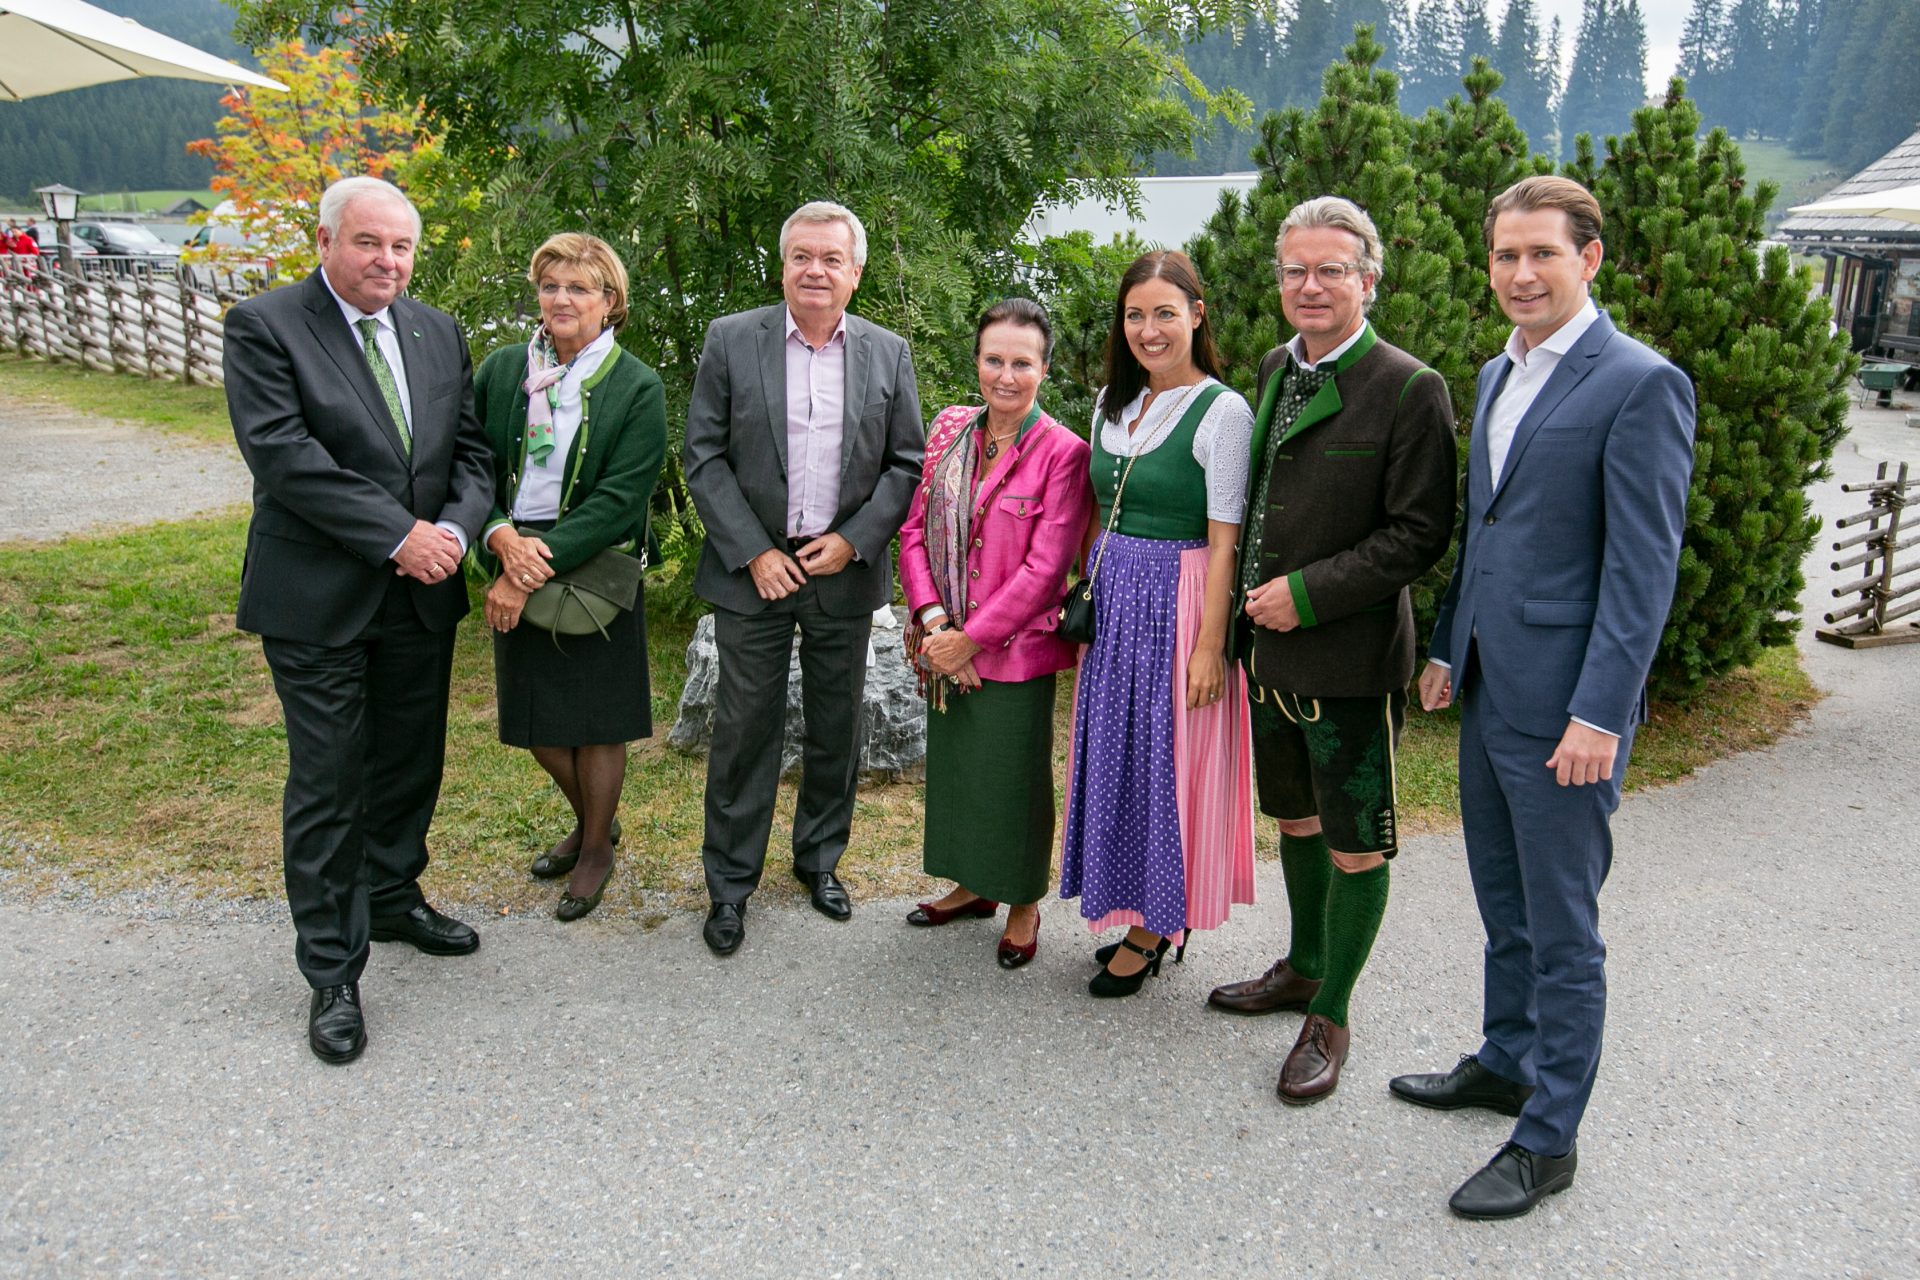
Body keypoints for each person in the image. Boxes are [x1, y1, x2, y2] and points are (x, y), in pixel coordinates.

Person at [1389, 175, 1696, 1219]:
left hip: (1570, 712)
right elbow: (1492, 532)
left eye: (1543, 255)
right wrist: (1446, 646)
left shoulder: (1639, 383)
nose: (1521, 273)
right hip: (1489, 687)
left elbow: (1641, 570)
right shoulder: (1494, 376)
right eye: (1505, 255)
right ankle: (1506, 1060)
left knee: (1563, 929)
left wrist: (1601, 713)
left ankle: (1550, 1134)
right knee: (1502, 905)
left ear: (1590, 258)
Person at [223, 176, 493, 1065]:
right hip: (318, 597)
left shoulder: (436, 330)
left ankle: (392, 894)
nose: (388, 261)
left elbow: (471, 450)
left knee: (410, 759)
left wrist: (452, 530)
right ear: (327, 240)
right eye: (370, 243)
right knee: (330, 779)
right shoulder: (265, 326)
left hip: (421, 596)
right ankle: (333, 972)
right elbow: (285, 457)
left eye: (403, 247)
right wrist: (399, 536)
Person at [1204, 197, 1457, 1103]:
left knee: (1356, 845)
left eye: (1331, 271)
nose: (1311, 286)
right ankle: (1304, 963)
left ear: (1368, 279)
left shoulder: (1409, 385)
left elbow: (1419, 533)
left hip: (1348, 665)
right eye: (1295, 271)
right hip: (1268, 663)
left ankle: (1333, 1012)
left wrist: (1304, 597)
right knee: (1296, 821)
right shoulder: (1276, 366)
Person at [682, 200, 924, 955]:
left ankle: (820, 861)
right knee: (744, 728)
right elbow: (704, 455)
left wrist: (854, 542)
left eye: (831, 259)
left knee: (835, 726)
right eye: (802, 257)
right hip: (753, 569)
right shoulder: (730, 340)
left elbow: (906, 463)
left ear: (856, 272)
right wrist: (753, 550)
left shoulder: (888, 352)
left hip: (840, 573)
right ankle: (729, 885)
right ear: (781, 265)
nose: (815, 270)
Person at [1058, 249, 1256, 997]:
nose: (1149, 329)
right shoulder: (1112, 400)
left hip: (1181, 600)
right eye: (1135, 314)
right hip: (1116, 606)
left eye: (1165, 313)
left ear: (1196, 316)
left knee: (1167, 767)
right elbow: (1092, 510)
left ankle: (1157, 925)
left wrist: (1212, 646)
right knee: (1118, 758)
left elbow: (1227, 537)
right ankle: (1130, 903)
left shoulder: (1222, 410)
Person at [474, 233, 666, 922]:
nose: (561, 299)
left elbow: (621, 497)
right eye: (551, 285)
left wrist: (531, 566)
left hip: (594, 568)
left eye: (579, 288)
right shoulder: (502, 371)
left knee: (598, 721)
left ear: (609, 301)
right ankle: (598, 823)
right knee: (538, 724)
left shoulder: (636, 384)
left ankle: (593, 852)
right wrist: (500, 538)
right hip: (510, 554)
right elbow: (469, 466)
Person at [896, 299, 1094, 968]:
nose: (1005, 376)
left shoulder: (1065, 454)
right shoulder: (951, 429)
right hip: (945, 640)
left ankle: (1023, 901)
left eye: (1022, 363)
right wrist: (934, 625)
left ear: (1044, 368)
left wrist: (970, 640)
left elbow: (1046, 569)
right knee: (960, 774)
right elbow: (914, 531)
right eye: (993, 360)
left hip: (1012, 649)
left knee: (1013, 779)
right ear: (976, 360)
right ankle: (974, 885)